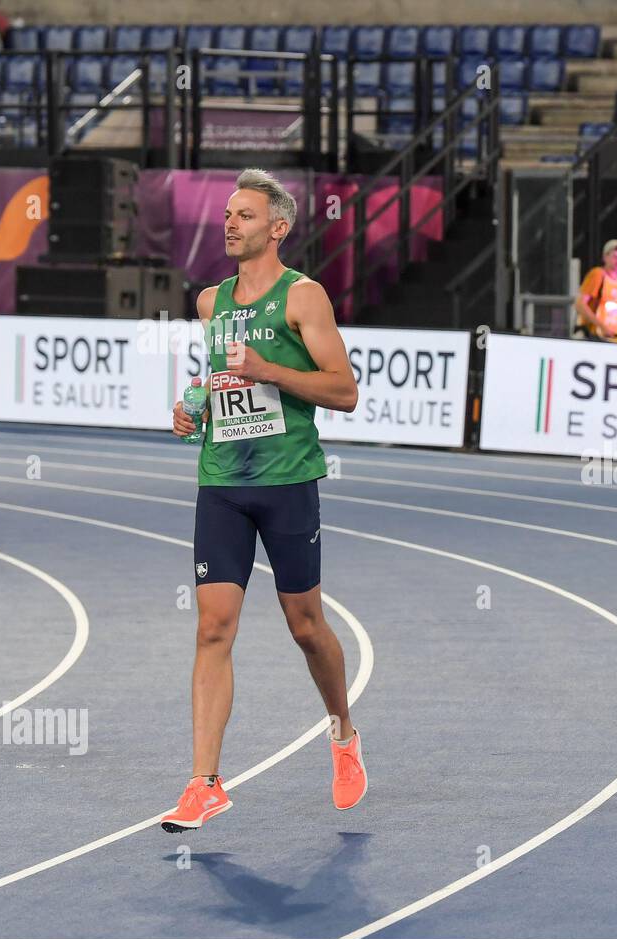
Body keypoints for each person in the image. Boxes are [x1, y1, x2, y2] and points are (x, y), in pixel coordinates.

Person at [163, 168, 363, 831]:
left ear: (277, 227)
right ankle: (205, 782)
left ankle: (341, 732)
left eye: (244, 216)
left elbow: (343, 390)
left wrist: (269, 370)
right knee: (212, 626)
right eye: (226, 214)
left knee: (306, 626)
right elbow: (219, 375)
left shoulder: (304, 298)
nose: (229, 224)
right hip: (222, 479)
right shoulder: (209, 302)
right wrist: (193, 404)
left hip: (286, 481)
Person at [575, 239, 617, 342]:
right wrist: (601, 326)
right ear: (605, 257)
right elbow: (580, 304)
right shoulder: (598, 274)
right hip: (592, 335)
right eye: (615, 257)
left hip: (612, 337)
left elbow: (615, 313)